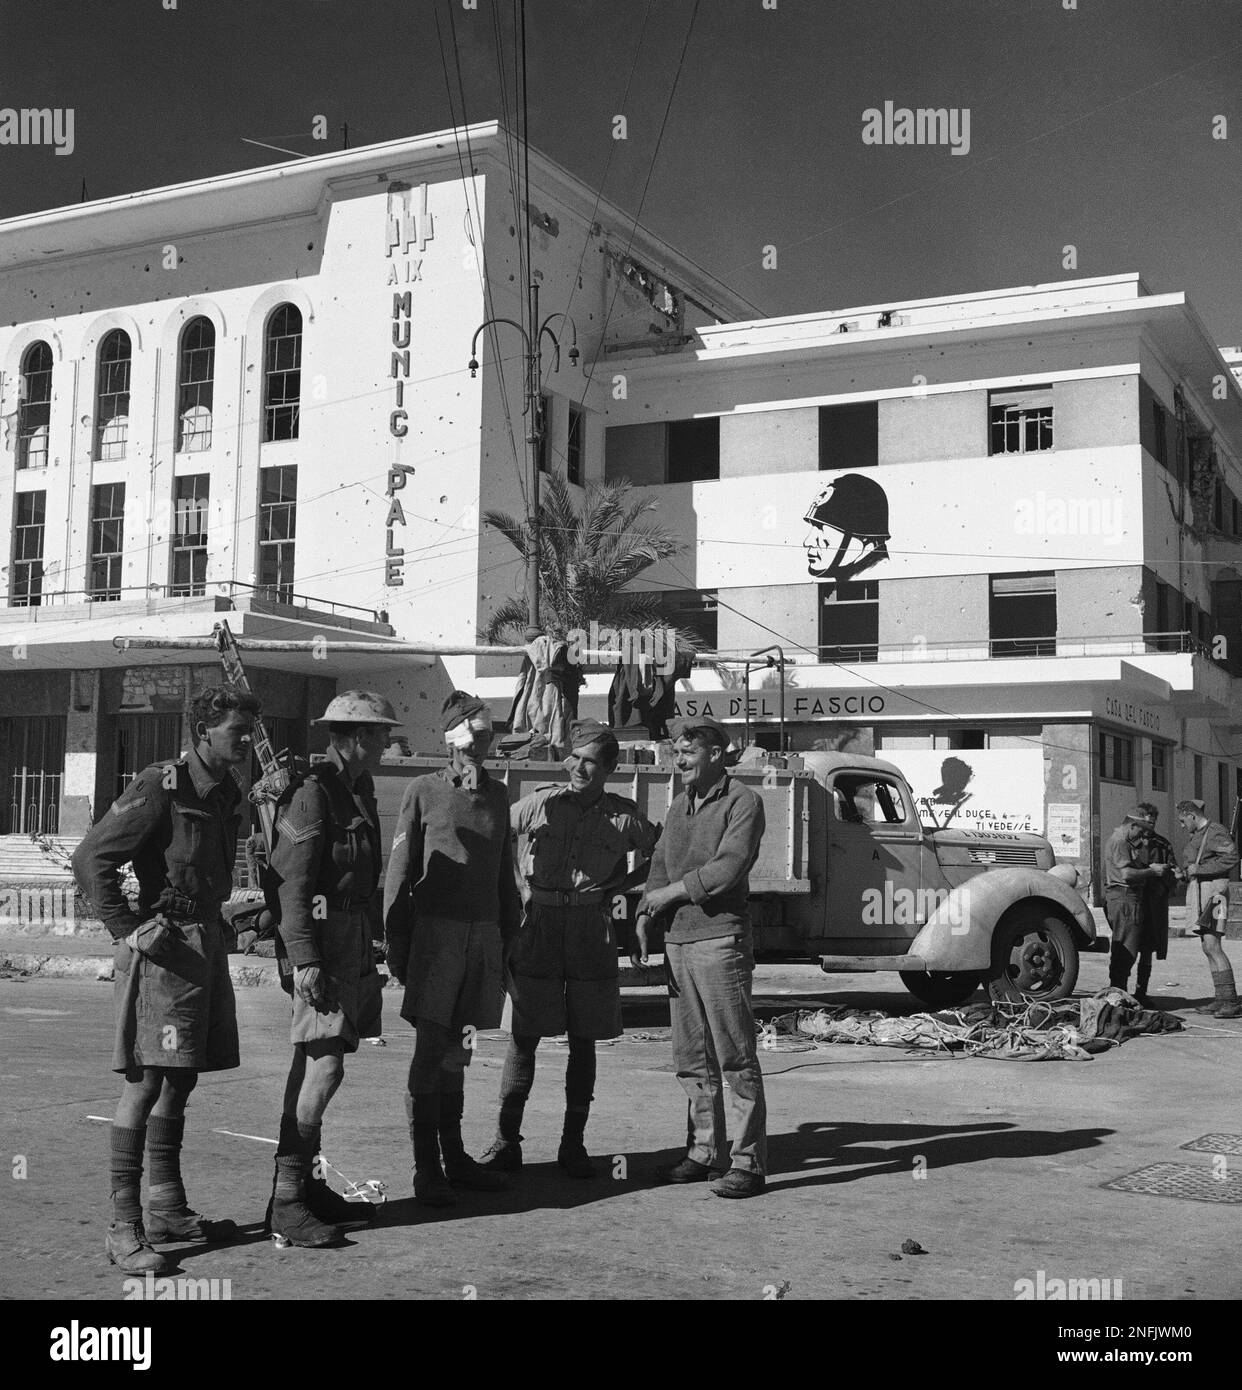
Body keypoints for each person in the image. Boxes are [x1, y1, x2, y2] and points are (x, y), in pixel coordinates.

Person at [72, 685, 259, 1273]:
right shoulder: (161, 786)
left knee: (184, 1080)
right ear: (204, 730)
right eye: (237, 730)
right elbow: (90, 858)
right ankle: (122, 1225)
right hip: (166, 953)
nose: (246, 740)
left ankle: (167, 1208)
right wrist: (125, 927)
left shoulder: (227, 792)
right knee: (148, 1081)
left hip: (205, 947)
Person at [481, 719, 659, 1178]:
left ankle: (573, 1145)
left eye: (591, 762)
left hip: (589, 928)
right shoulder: (541, 803)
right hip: (537, 924)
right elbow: (495, 834)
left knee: (584, 1040)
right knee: (524, 1036)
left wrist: (621, 885)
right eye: (575, 759)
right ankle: (506, 1142)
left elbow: (661, 856)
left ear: (610, 768)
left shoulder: (623, 815)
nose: (580, 769)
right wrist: (518, 887)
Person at [262, 691, 399, 1247]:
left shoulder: (357, 790)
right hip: (323, 941)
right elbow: (291, 882)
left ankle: (304, 1189)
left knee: (319, 1062)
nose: (388, 742)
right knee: (324, 1068)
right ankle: (290, 1202)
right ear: (358, 738)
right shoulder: (315, 795)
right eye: (382, 733)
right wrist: (305, 959)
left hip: (351, 938)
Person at [383, 691, 521, 1205]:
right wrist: (396, 939)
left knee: (459, 1052)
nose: (484, 742)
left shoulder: (500, 795)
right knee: (429, 1052)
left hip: (483, 936)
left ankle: (455, 1157)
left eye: (488, 734)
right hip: (436, 936)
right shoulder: (423, 790)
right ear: (455, 737)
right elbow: (399, 870)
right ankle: (426, 1170)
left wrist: (509, 935)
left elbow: (504, 871)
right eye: (477, 733)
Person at [633, 716, 768, 1199]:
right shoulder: (678, 807)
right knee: (691, 1058)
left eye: (688, 752)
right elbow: (660, 864)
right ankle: (702, 1153)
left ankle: (749, 1164)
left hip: (719, 942)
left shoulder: (743, 802)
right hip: (678, 940)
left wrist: (669, 894)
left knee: (734, 1055)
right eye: (676, 750)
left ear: (716, 753)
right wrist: (648, 912)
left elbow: (728, 868)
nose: (679, 760)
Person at [1173, 799, 1241, 1018]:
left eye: (1184, 821)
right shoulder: (1198, 836)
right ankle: (1221, 999)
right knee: (1207, 946)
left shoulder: (1215, 831)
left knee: (1213, 946)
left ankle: (1230, 1001)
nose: (1183, 826)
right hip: (1201, 895)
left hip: (1215, 896)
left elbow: (1232, 857)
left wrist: (1200, 869)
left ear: (1192, 816)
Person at [1102, 809, 1172, 995]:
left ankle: (1118, 991)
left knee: (1126, 946)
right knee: (1126, 948)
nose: (1141, 836)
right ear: (1131, 825)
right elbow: (1126, 874)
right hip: (1125, 898)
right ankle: (1118, 993)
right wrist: (1152, 871)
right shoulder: (1120, 841)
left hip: (1125, 898)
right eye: (1139, 831)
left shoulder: (1123, 840)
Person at [1134, 802, 1174, 1007]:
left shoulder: (1163, 844)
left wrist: (1171, 872)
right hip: (1133, 903)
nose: (1150, 826)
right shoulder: (1129, 843)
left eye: (1153, 822)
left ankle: (1141, 991)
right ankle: (1119, 990)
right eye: (1146, 822)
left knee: (1148, 949)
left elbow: (1173, 872)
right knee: (1128, 947)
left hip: (1154, 904)